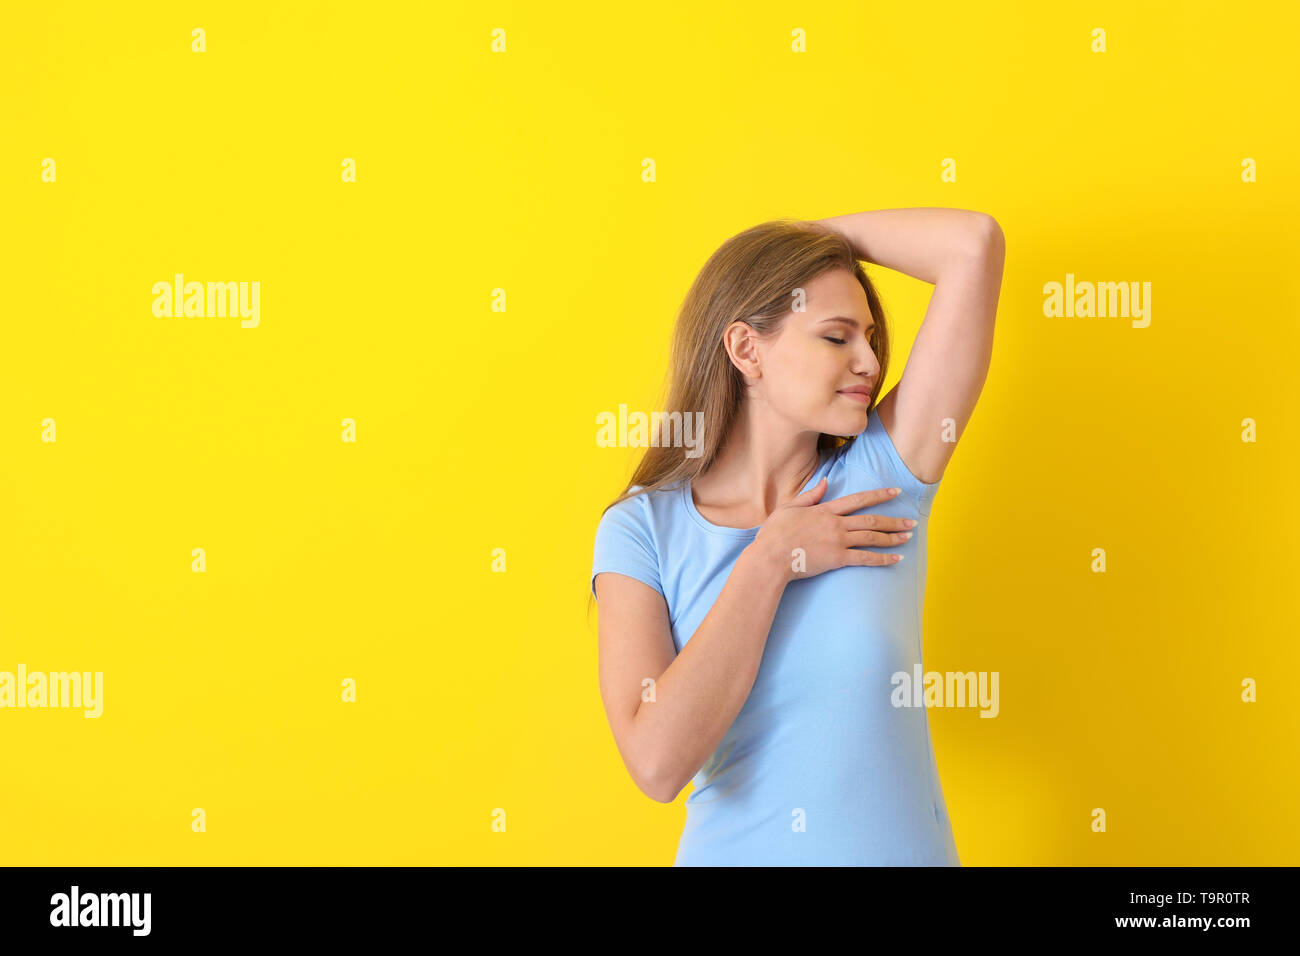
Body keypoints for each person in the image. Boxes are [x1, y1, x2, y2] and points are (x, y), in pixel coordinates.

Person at [589, 208, 1005, 865]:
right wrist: (771, 559)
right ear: (746, 349)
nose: (869, 360)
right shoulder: (642, 531)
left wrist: (809, 239)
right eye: (837, 337)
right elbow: (657, 765)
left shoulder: (885, 474)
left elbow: (973, 245)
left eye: (869, 337)